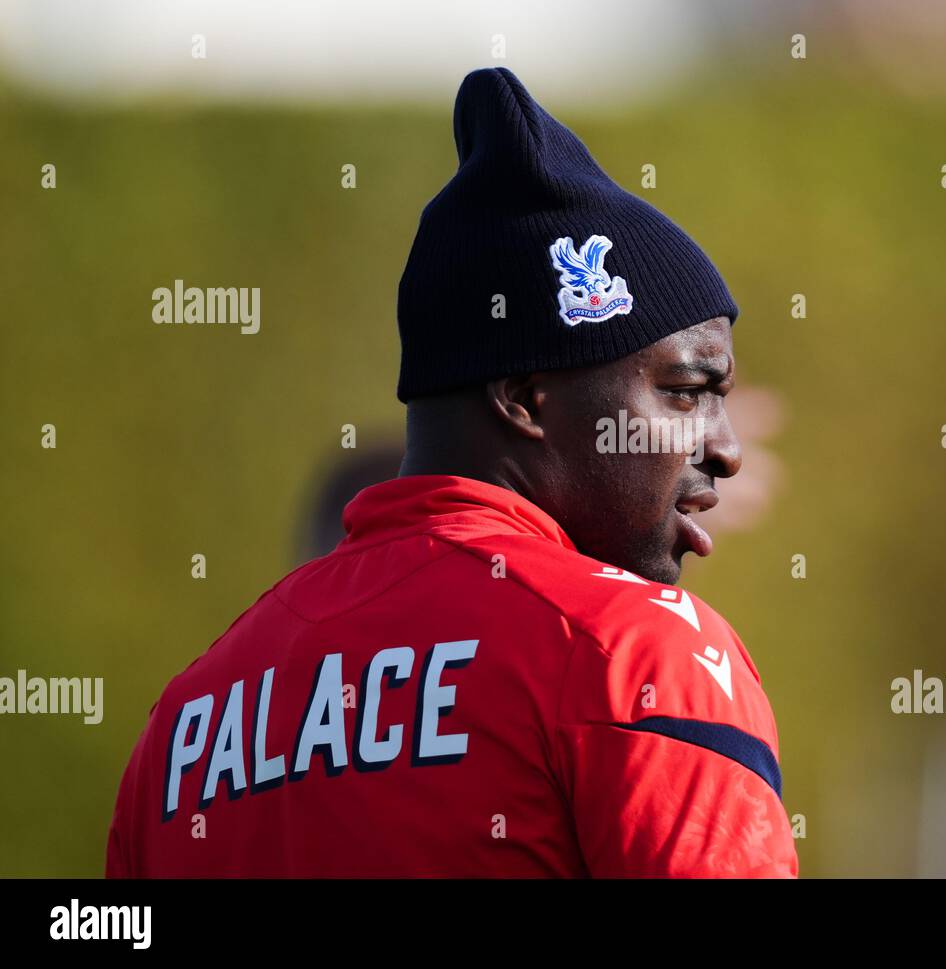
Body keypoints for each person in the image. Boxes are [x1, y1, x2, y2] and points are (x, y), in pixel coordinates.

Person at [106, 67, 798, 877]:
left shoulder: (183, 728)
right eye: (687, 391)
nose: (725, 447)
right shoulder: (632, 655)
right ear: (526, 401)